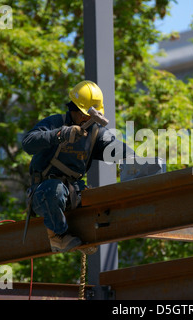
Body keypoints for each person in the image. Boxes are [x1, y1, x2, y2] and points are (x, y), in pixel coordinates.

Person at [22, 80, 135, 253]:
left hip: (73, 193)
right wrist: (60, 134)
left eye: (90, 116)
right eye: (83, 114)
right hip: (44, 194)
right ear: (73, 108)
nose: (86, 119)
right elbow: (28, 143)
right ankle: (58, 237)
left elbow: (118, 150)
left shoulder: (95, 134)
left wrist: (137, 161)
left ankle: (87, 236)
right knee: (55, 190)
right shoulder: (55, 123)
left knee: (101, 198)